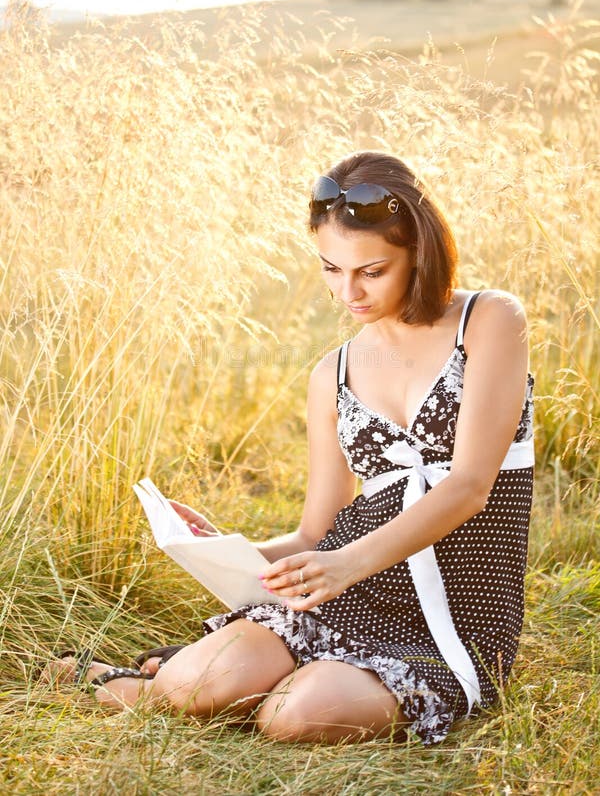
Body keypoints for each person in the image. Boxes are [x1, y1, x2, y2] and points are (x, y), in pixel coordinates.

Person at [45, 152, 534, 746]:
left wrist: (347, 563)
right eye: (331, 269)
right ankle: (159, 683)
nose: (347, 291)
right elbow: (315, 533)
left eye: (371, 271)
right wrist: (229, 548)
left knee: (292, 718)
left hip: (455, 613)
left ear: (420, 253)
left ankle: (239, 681)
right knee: (194, 687)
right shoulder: (333, 371)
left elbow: (470, 486)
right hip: (346, 587)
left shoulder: (489, 320)